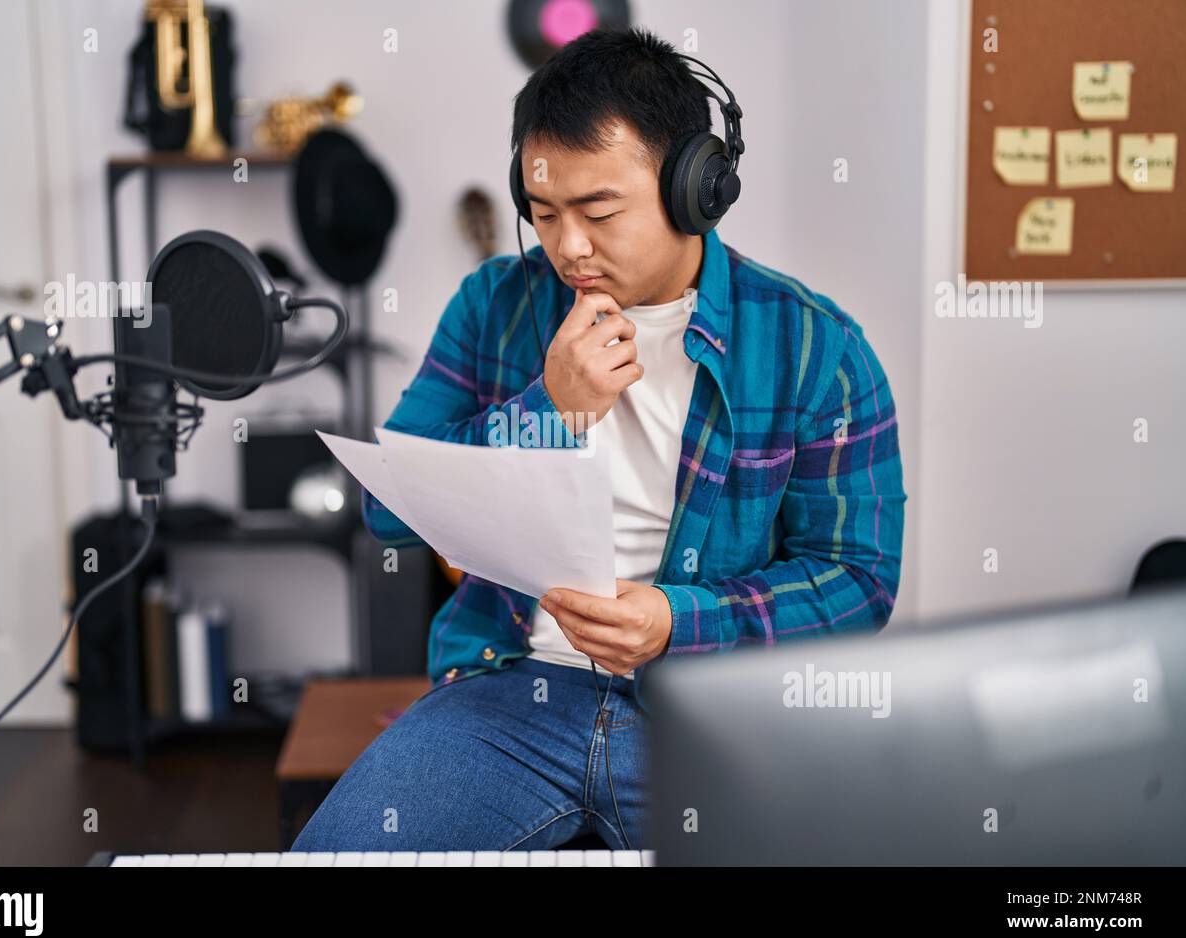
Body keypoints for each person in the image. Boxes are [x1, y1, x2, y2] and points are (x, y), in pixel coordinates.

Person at [292, 27, 906, 853]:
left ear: (697, 187)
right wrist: (549, 408)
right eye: (544, 213)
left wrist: (677, 621)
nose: (567, 247)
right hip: (509, 692)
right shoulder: (494, 305)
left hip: (715, 712)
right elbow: (387, 513)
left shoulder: (815, 347)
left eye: (598, 211)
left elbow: (858, 580)